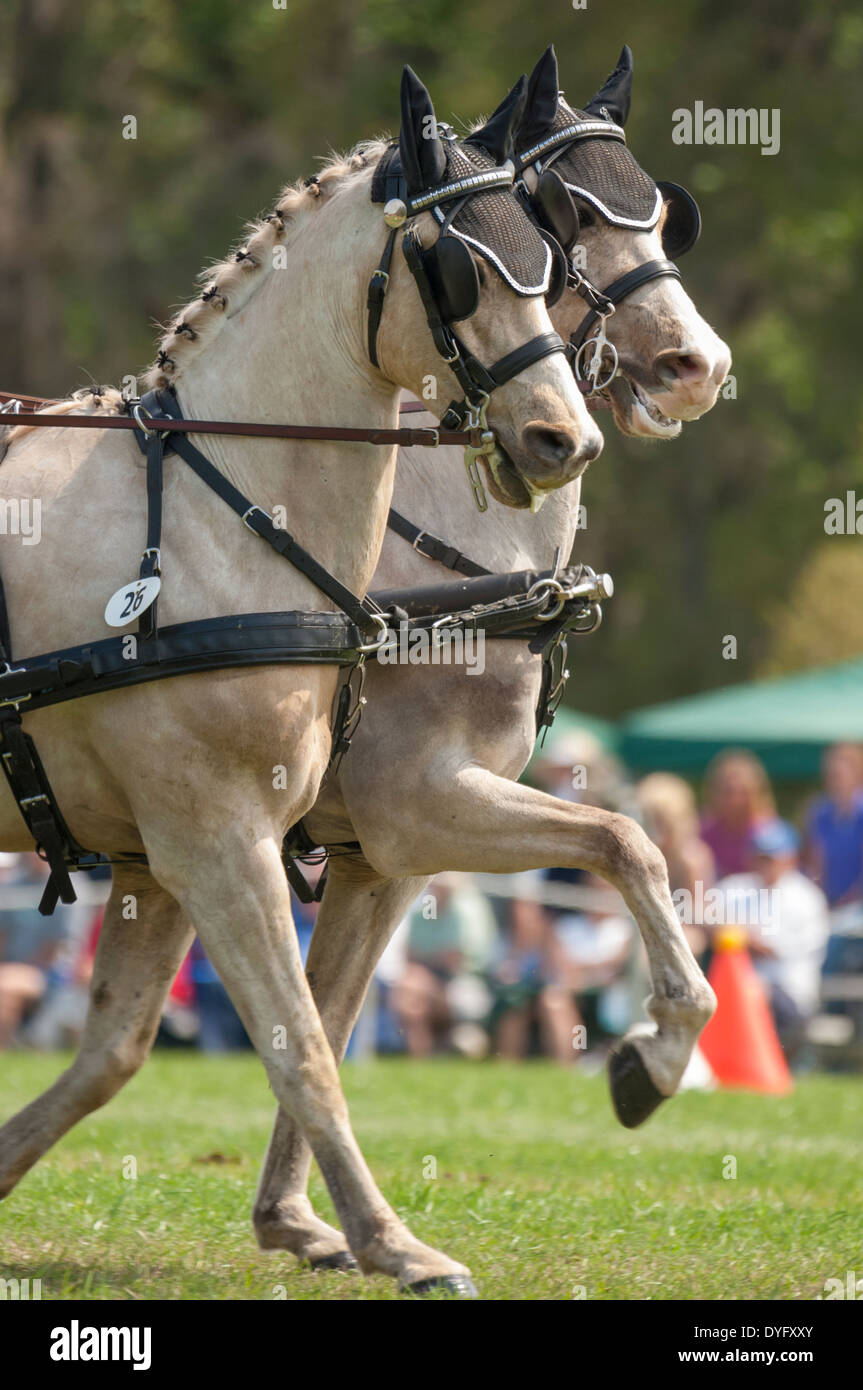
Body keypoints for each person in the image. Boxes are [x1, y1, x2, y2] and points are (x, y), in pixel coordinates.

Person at [715, 820, 830, 1062]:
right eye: (760, 856)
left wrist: (741, 937)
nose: (764, 864)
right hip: (736, 983)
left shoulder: (806, 898)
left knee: (753, 991)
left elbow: (779, 950)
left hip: (788, 991)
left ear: (790, 859)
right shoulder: (737, 887)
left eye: (770, 857)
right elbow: (707, 913)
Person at [393, 874, 497, 1058]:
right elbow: (412, 952)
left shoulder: (468, 907)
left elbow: (457, 959)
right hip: (429, 982)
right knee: (412, 999)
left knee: (410, 991)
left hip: (465, 984)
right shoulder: (427, 908)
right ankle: (421, 1059)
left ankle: (420, 1058)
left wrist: (429, 960)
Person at [638, 772, 715, 957]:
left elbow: (698, 912)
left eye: (661, 821)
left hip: (687, 930)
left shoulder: (692, 857)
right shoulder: (642, 854)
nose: (656, 829)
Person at [700, 749, 776, 879]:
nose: (735, 801)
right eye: (728, 793)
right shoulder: (703, 832)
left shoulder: (770, 832)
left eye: (743, 793)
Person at [803, 742, 863, 907]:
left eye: (845, 768)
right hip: (829, 905)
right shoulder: (819, 812)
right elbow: (815, 864)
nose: (837, 773)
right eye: (832, 771)